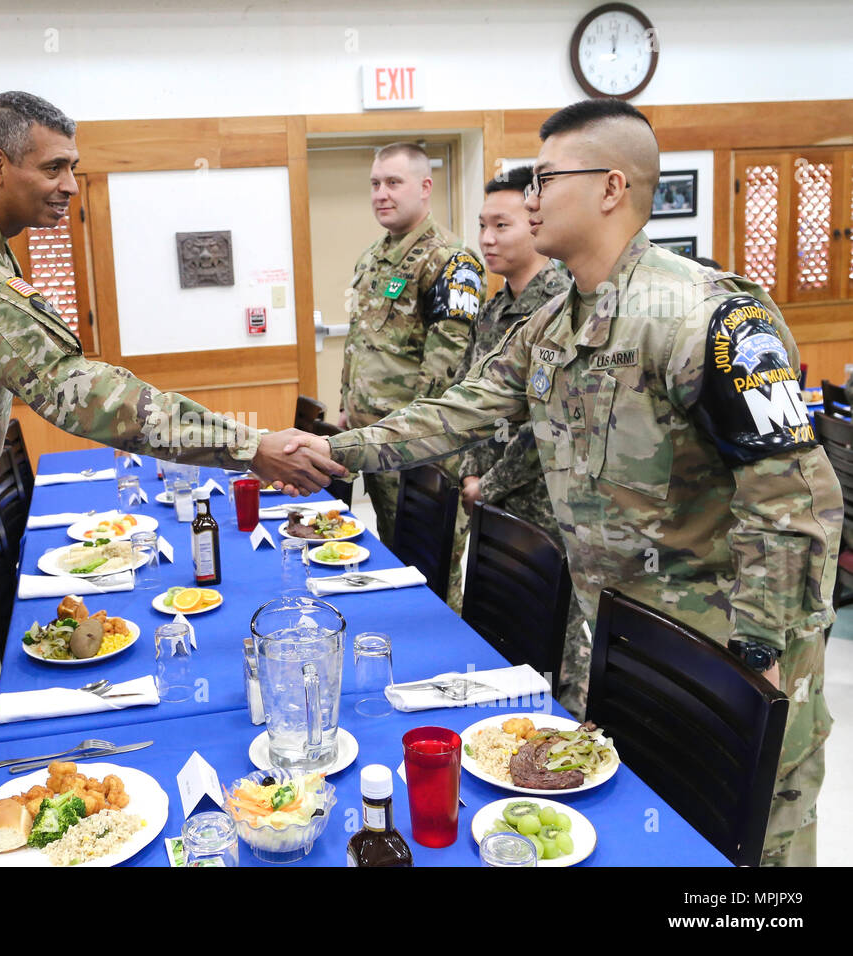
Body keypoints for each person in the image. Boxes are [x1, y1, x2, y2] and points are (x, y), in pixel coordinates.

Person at [283, 98, 841, 865]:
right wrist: (326, 451)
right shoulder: (553, 326)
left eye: (546, 179)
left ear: (612, 188)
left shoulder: (704, 318)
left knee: (751, 853)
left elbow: (793, 498)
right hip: (624, 637)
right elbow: (456, 413)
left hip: (725, 646)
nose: (531, 197)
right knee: (645, 830)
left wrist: (758, 652)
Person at [0, 91, 340, 798]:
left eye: (74, 167)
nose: (67, 186)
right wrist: (249, 445)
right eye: (53, 168)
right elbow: (74, 389)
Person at [445, 166, 589, 715]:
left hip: (543, 509)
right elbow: (466, 397)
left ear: (534, 224)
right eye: (482, 226)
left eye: (500, 225)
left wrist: (490, 483)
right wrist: (467, 476)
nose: (486, 239)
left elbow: (548, 420)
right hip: (490, 502)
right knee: (501, 638)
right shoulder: (494, 308)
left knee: (556, 651)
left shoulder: (562, 306)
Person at [338, 142, 485, 550]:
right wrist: (346, 405)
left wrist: (411, 441)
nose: (380, 194)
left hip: (420, 453)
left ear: (424, 187)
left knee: (431, 569)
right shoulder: (373, 257)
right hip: (375, 443)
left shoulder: (450, 261)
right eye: (374, 184)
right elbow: (360, 342)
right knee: (391, 555)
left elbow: (447, 368)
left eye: (393, 183)